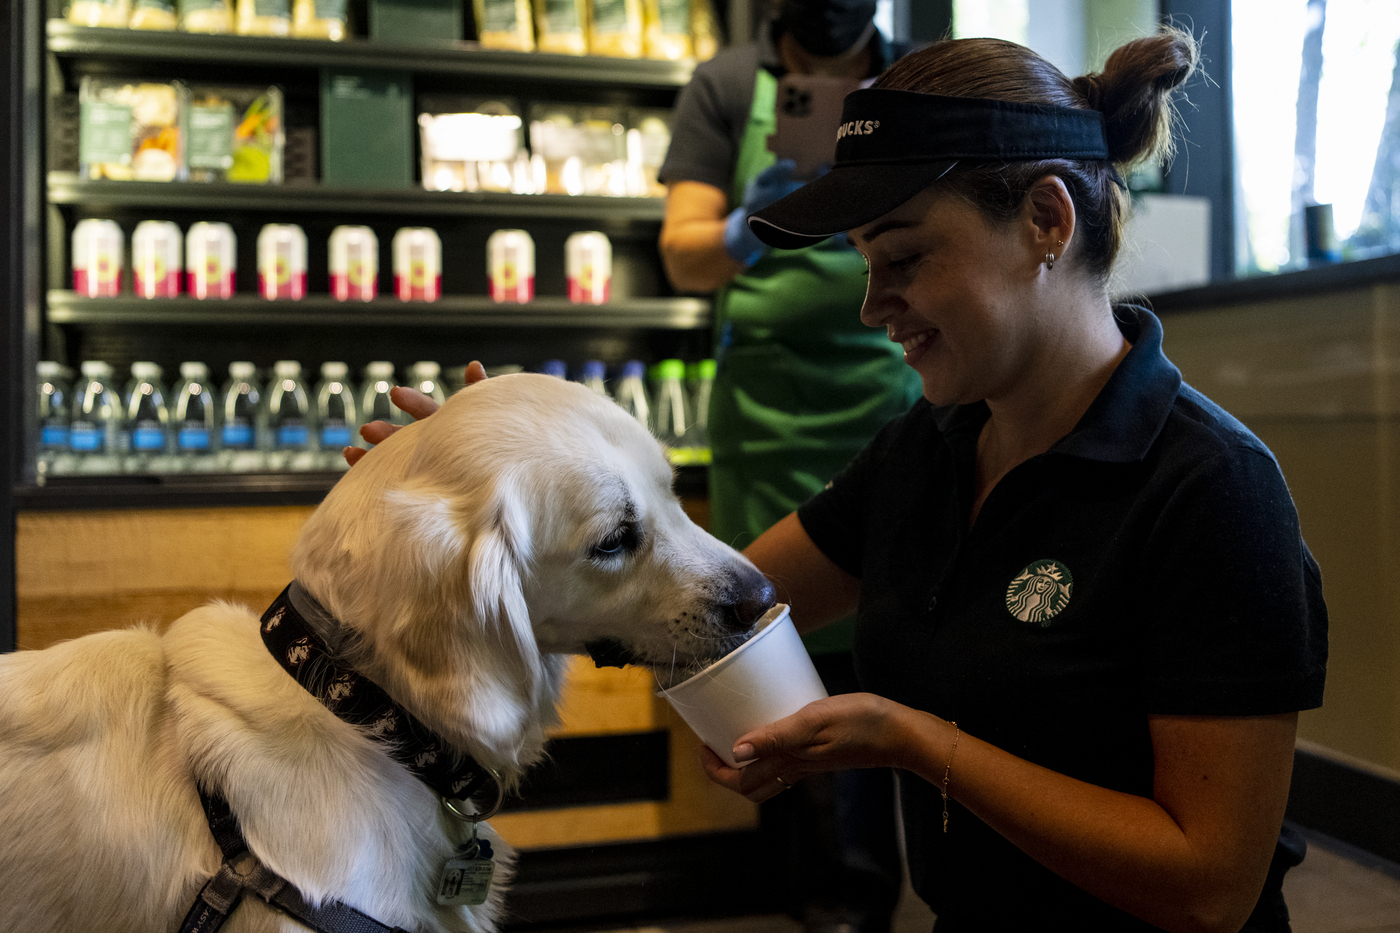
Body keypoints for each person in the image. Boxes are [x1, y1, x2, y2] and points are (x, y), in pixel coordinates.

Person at [685, 28, 1329, 933]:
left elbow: (1209, 882)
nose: (874, 310)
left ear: (1046, 221)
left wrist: (914, 742)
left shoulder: (1210, 489)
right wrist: (502, 475)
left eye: (904, 259)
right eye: (867, 267)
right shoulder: (925, 447)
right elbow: (717, 602)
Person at [657, 2, 920, 931]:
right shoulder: (727, 85)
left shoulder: (920, 77)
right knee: (756, 619)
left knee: (868, 637)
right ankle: (790, 873)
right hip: (764, 409)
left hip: (883, 382)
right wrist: (746, 225)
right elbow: (683, 259)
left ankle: (860, 884)